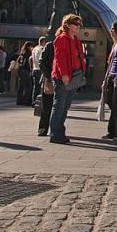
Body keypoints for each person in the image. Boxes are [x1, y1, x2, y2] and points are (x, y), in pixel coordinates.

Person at [49, 14, 85, 144]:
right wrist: (64, 74)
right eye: (76, 24)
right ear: (68, 25)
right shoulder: (61, 39)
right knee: (59, 105)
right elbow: (60, 59)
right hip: (63, 77)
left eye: (79, 24)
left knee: (65, 106)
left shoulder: (76, 39)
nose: (78, 27)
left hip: (74, 76)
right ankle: (55, 133)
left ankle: (60, 131)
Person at [36, 35, 55, 137]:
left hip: (61, 80)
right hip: (48, 80)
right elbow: (41, 62)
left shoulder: (68, 46)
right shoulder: (50, 46)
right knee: (46, 106)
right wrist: (49, 75)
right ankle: (43, 129)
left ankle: (56, 130)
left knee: (59, 107)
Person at [30, 37, 46, 104]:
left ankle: (34, 101)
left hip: (35, 69)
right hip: (39, 69)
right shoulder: (41, 49)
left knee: (35, 87)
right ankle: (38, 102)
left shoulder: (34, 49)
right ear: (43, 42)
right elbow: (39, 60)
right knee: (40, 87)